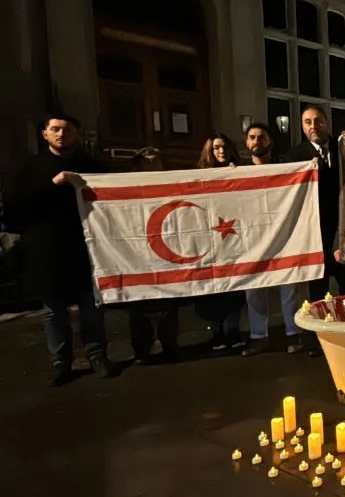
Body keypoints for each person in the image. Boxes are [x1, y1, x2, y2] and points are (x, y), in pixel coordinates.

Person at [10, 114, 119, 385]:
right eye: (55, 129)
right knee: (54, 310)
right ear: (45, 134)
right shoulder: (30, 168)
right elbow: (16, 207)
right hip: (47, 250)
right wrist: (53, 185)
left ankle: (97, 356)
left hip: (87, 248)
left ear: (77, 134)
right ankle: (61, 362)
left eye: (68, 130)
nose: (62, 134)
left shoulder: (93, 167)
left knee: (91, 307)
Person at [285, 106, 345, 356]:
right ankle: (318, 341)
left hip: (343, 233)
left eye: (317, 120)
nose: (313, 126)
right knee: (318, 291)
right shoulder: (294, 156)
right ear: (302, 126)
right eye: (307, 122)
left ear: (326, 122)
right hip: (313, 236)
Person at [241, 123, 301, 356]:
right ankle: (258, 336)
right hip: (252, 239)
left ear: (270, 142)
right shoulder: (239, 172)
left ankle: (293, 333)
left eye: (261, 137)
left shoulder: (284, 169)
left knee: (288, 288)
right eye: (252, 137)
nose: (256, 141)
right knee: (254, 290)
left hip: (282, 236)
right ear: (247, 142)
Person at [124, 147, 182, 364]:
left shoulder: (172, 186)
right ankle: (141, 348)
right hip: (136, 254)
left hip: (165, 250)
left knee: (169, 302)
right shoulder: (125, 188)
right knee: (138, 302)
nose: (150, 166)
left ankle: (170, 343)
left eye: (155, 162)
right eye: (146, 162)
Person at [193, 133, 247, 352]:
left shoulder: (239, 171)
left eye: (224, 146)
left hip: (233, 237)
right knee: (212, 289)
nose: (221, 151)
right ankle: (216, 330)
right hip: (209, 240)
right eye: (216, 148)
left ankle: (233, 329)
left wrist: (235, 177)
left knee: (235, 286)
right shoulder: (198, 176)